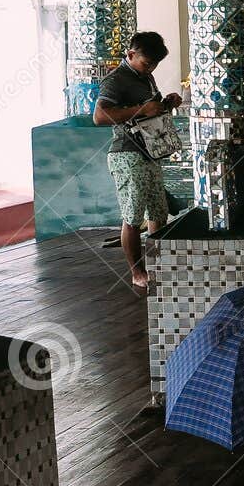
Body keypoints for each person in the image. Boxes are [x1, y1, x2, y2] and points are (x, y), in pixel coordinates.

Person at [93, 31, 181, 293]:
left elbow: (149, 113)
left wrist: (166, 104)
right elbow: (99, 116)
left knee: (158, 212)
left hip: (149, 153)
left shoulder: (145, 77)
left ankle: (156, 265)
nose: (151, 68)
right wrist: (142, 109)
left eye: (154, 65)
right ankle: (137, 272)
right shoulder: (115, 79)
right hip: (127, 155)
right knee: (132, 217)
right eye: (147, 63)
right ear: (131, 55)